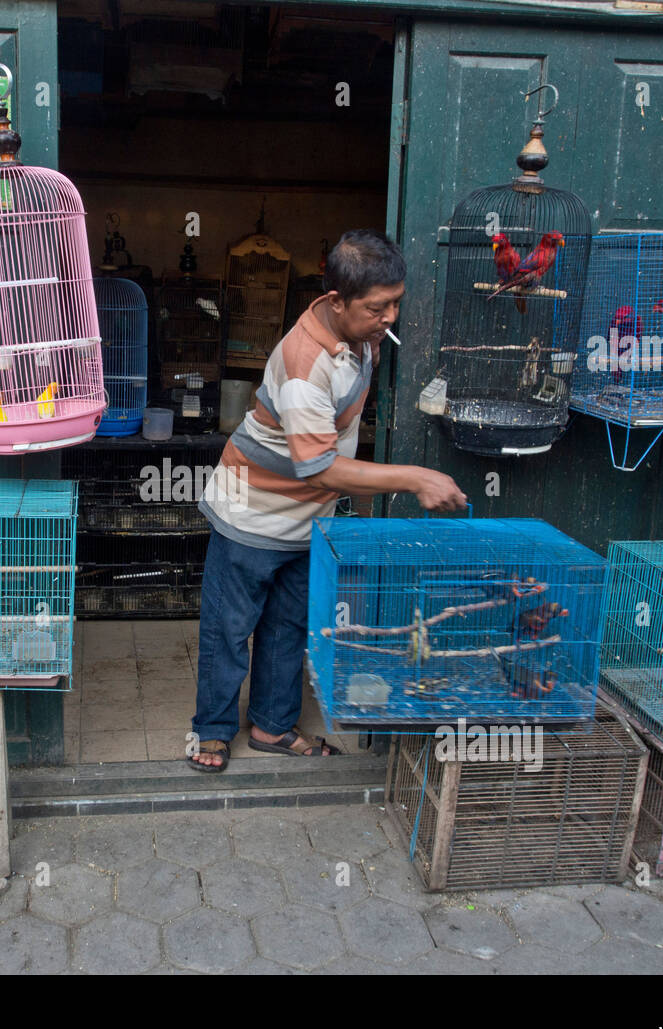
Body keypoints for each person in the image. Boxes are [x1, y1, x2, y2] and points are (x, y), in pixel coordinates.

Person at [189, 228, 467, 772]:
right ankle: (213, 730)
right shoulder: (302, 364)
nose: (389, 317)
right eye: (377, 307)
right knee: (229, 629)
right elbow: (317, 464)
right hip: (252, 510)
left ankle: (271, 727)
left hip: (308, 518)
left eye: (395, 304)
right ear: (337, 301)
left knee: (289, 626)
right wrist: (414, 477)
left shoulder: (360, 335)